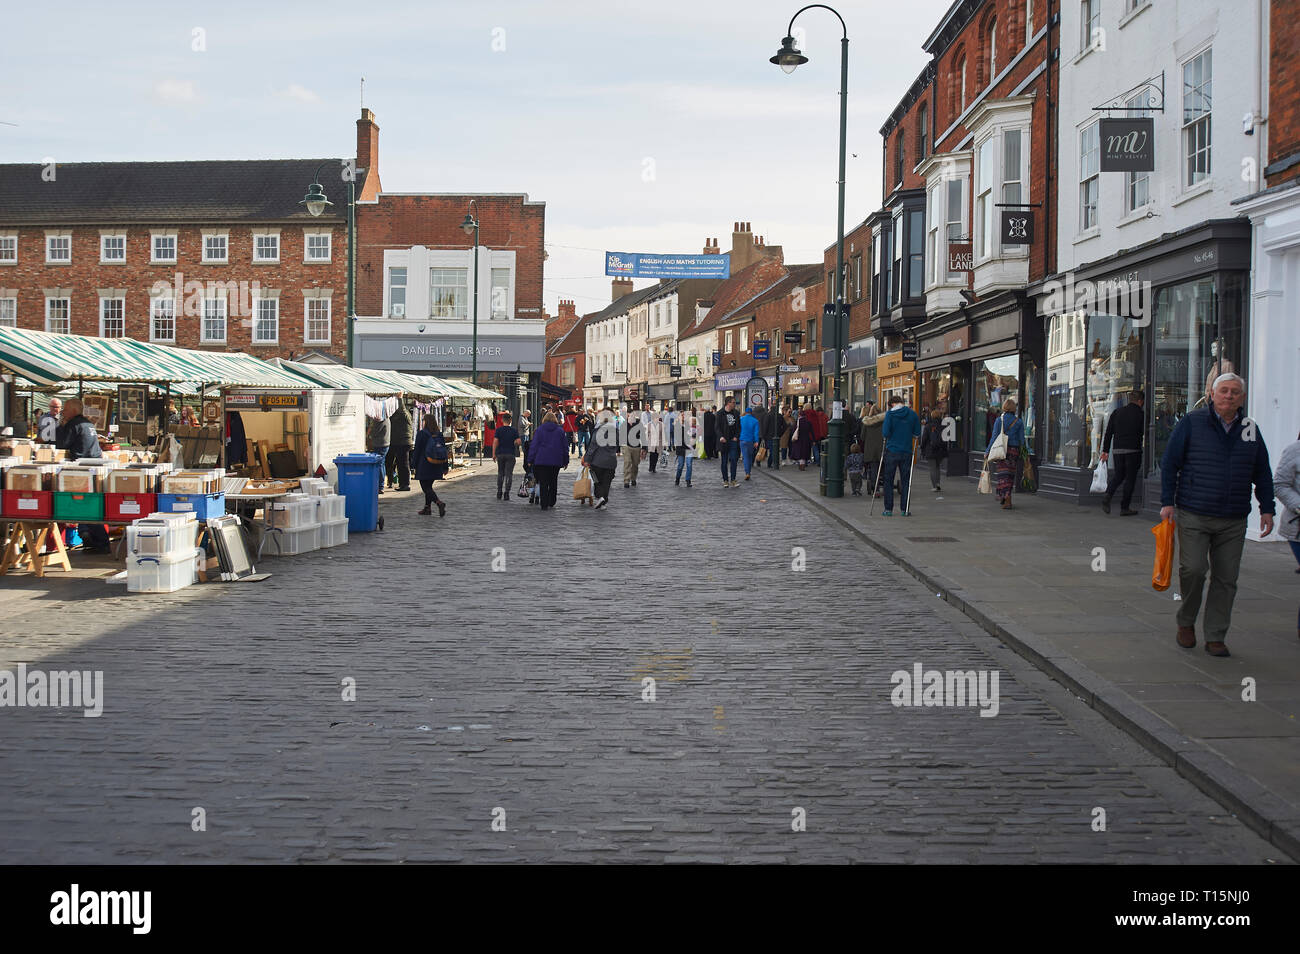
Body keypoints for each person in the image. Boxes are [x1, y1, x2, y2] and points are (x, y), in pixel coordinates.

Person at [1160, 373, 1275, 657]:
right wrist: (1167, 502)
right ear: (1212, 394)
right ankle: (1186, 621)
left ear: (1242, 398)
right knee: (1194, 570)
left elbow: (1262, 471)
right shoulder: (1192, 422)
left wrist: (1267, 508)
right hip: (1194, 512)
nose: (1229, 396)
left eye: (1235, 392)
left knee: (1226, 578)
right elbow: (1169, 463)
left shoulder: (1249, 428)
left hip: (1233, 517)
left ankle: (1215, 634)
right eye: (1224, 391)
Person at [56, 398, 110, 552]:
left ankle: (100, 541)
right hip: (94, 466)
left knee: (85, 506)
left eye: (65, 409)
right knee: (88, 505)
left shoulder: (74, 424)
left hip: (82, 469)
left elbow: (62, 443)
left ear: (73, 410)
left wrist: (61, 426)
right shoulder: (88, 424)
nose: (63, 412)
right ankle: (88, 535)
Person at [1100, 389, 1145, 515]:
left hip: (1118, 450)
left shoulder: (1117, 412)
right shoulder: (1141, 414)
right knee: (1130, 479)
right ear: (1140, 401)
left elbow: (1108, 432)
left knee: (1119, 475)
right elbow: (1144, 432)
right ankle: (1124, 507)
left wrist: (1105, 450)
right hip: (1133, 450)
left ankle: (1108, 495)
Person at [880, 394, 921, 516]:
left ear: (892, 404)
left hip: (892, 450)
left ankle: (888, 509)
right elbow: (917, 433)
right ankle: (905, 509)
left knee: (888, 480)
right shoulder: (912, 414)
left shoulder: (890, 415)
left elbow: (885, 433)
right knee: (906, 481)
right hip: (906, 451)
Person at [986, 399, 1025, 511]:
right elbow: (1022, 440)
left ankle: (1007, 499)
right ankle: (1005, 496)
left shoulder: (999, 420)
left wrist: (987, 451)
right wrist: (1025, 453)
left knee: (1003, 475)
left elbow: (994, 437)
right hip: (1014, 451)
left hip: (1002, 450)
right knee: (1010, 475)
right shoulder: (1019, 421)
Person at [527, 411, 569, 510]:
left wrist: (530, 459)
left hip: (541, 460)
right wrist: (565, 460)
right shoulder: (560, 431)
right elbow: (565, 447)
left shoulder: (539, 430)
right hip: (556, 460)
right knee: (553, 481)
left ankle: (544, 503)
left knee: (543, 482)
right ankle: (552, 501)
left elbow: (534, 446)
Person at [411, 414, 448, 517]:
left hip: (424, 464)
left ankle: (439, 503)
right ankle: (427, 508)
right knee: (429, 486)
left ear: (426, 422)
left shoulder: (422, 434)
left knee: (425, 487)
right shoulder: (439, 434)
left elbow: (417, 450)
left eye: (423, 420)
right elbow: (444, 450)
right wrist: (445, 466)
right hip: (436, 464)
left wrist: (413, 465)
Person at [583, 412, 620, 509]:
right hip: (611, 461)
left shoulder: (598, 430)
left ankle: (600, 497)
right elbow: (617, 445)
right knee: (606, 482)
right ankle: (603, 499)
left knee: (597, 481)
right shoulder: (615, 431)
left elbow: (593, 446)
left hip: (598, 461)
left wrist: (587, 459)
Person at [491, 410, 522, 501]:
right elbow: (519, 442)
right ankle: (506, 493)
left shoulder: (499, 430)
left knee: (500, 473)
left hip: (500, 454)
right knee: (509, 474)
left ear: (502, 421)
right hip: (510, 454)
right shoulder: (514, 430)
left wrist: (493, 454)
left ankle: (499, 491)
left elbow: (495, 442)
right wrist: (515, 442)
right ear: (510, 420)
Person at [859, 402, 886, 496]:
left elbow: (862, 437)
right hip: (883, 449)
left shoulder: (867, 423)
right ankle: (886, 486)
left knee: (874, 469)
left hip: (871, 450)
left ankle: (876, 488)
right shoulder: (885, 422)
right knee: (884, 468)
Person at [386, 402, 413, 492]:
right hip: (398, 442)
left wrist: (399, 398)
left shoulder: (403, 413)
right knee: (399, 463)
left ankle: (404, 484)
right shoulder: (399, 415)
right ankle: (397, 482)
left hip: (401, 442)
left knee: (402, 464)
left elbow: (402, 408)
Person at [919, 409, 948, 493]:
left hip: (930, 449)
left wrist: (922, 447)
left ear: (932, 416)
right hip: (940, 450)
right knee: (937, 467)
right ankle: (938, 483)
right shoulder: (943, 425)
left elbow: (924, 439)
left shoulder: (928, 426)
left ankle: (934, 486)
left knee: (932, 468)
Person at [716, 396, 742, 487]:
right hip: (724, 440)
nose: (735, 404)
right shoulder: (720, 413)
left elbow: (739, 427)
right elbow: (717, 427)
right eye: (733, 402)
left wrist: (736, 437)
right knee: (724, 461)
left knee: (734, 459)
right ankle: (725, 480)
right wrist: (721, 437)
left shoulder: (736, 413)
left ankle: (733, 479)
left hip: (733, 440)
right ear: (728, 403)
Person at [366, 411, 390, 495]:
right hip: (385, 444)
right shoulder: (386, 417)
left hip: (381, 444)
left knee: (379, 464)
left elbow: (375, 432)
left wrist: (369, 432)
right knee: (381, 464)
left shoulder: (380, 419)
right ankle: (380, 485)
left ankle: (380, 486)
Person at [674, 410, 697, 487]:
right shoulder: (677, 425)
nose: (683, 416)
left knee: (689, 464)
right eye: (682, 415)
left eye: (684, 415)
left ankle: (688, 480)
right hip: (680, 448)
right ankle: (677, 478)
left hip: (689, 448)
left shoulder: (689, 424)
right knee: (680, 465)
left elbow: (694, 435)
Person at [739, 404, 761, 481]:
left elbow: (738, 430)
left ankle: (747, 472)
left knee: (745, 457)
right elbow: (756, 432)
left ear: (745, 412)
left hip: (742, 440)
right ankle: (749, 471)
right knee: (750, 455)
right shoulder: (755, 421)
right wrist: (756, 441)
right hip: (751, 441)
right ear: (751, 413)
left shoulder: (741, 419)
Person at [789, 405, 815, 470]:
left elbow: (793, 430)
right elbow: (811, 432)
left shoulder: (797, 422)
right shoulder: (808, 422)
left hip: (798, 439)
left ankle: (801, 464)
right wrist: (813, 440)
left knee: (799, 452)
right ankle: (802, 464)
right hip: (806, 439)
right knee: (804, 452)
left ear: (799, 415)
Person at [763, 403, 786, 469]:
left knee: (772, 450)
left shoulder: (768, 415)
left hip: (769, 436)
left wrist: (764, 436)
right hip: (777, 436)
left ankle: (773, 463)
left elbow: (765, 427)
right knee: (774, 450)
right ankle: (771, 463)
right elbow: (785, 426)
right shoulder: (779, 416)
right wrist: (780, 433)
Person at [645, 409, 663, 474]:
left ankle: (654, 467)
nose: (656, 419)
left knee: (656, 455)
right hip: (651, 442)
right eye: (655, 418)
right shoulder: (649, 424)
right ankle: (651, 466)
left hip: (659, 442)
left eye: (657, 418)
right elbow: (646, 433)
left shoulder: (661, 424)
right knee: (652, 455)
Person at [519, 409, 534, 478]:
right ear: (525, 413)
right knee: (525, 445)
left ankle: (526, 453)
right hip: (523, 434)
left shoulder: (525, 418)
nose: (529, 415)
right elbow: (522, 424)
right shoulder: (521, 417)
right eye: (528, 414)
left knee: (527, 445)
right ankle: (525, 453)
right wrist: (528, 423)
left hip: (526, 433)